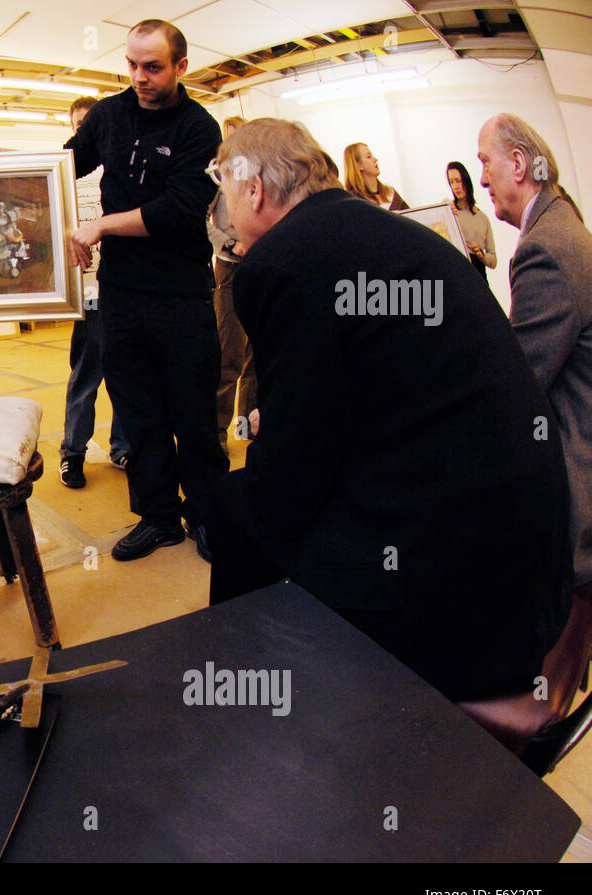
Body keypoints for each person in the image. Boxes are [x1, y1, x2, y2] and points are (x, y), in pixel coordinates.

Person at [205, 118, 570, 703]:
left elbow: (290, 482)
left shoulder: (280, 262)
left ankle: (246, 712)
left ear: (254, 191)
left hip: (461, 606)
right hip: (529, 573)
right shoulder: (395, 231)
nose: (225, 210)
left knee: (232, 511)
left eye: (225, 191)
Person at [61, 19, 227, 561]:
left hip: (180, 294)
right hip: (122, 295)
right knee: (140, 414)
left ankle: (207, 515)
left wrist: (102, 225)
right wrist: (10, 166)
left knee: (194, 416)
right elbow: (61, 167)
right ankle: (159, 518)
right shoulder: (109, 116)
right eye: (131, 65)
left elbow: (179, 211)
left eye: (152, 67)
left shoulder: (200, 129)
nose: (139, 76)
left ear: (181, 67)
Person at [478, 113, 591, 601]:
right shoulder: (562, 220)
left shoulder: (544, 247)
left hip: (574, 485)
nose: (481, 178)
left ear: (519, 164)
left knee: (556, 661)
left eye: (486, 163)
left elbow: (519, 384)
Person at [58, 95, 130, 489]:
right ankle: (73, 453)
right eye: (80, 125)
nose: (86, 131)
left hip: (121, 286)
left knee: (124, 372)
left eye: (92, 124)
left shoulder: (121, 169)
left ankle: (122, 445)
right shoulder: (67, 172)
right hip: (85, 291)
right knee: (86, 376)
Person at [207, 115, 257, 453]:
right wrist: (227, 244)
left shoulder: (259, 175)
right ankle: (217, 430)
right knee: (230, 352)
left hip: (260, 263)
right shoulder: (215, 177)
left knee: (258, 353)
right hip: (230, 268)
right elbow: (202, 220)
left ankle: (246, 425)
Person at [446, 160, 496, 279]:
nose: (455, 186)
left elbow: (493, 261)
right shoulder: (449, 210)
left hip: (479, 276)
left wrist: (480, 253)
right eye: (451, 182)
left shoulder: (482, 218)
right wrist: (446, 205)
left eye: (458, 181)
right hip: (458, 274)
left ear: (466, 180)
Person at [343, 142, 408, 211]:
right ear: (358, 165)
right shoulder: (353, 201)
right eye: (369, 157)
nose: (375, 159)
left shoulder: (391, 193)